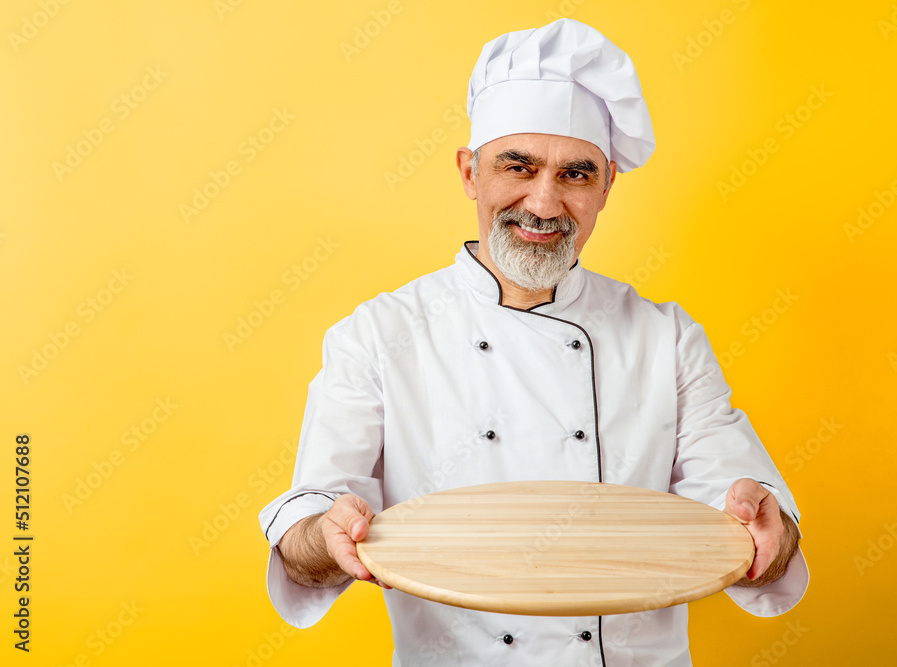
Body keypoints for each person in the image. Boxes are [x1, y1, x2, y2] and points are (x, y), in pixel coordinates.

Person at [259, 18, 807, 666]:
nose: (544, 203)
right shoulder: (380, 335)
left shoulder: (667, 339)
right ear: (469, 171)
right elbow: (306, 530)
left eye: (575, 175)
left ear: (606, 185)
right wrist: (327, 534)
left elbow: (759, 531)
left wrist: (770, 530)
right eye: (517, 166)